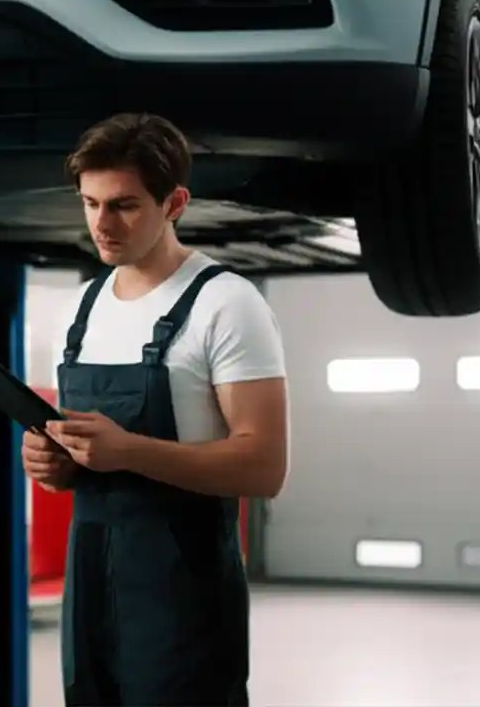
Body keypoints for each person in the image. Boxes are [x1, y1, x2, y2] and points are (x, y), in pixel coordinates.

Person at [22, 112, 290, 706]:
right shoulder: (82, 308)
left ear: (174, 203)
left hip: (183, 585)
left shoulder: (225, 303)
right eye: (89, 203)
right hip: (91, 575)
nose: (102, 224)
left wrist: (129, 451)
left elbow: (264, 465)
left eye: (124, 205)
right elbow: (88, 454)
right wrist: (57, 463)